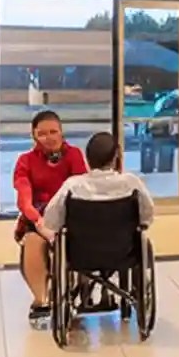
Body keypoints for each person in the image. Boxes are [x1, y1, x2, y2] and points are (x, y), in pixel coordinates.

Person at [14, 110, 89, 323]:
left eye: (54, 131)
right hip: (38, 216)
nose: (49, 137)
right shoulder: (25, 161)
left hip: (70, 213)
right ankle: (41, 299)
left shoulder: (74, 155)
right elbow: (24, 199)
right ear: (34, 136)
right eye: (43, 133)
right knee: (33, 243)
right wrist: (39, 222)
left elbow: (81, 187)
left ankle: (77, 287)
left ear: (62, 132)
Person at [42, 131, 156, 234]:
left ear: (87, 158)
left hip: (80, 255)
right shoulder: (131, 184)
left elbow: (50, 221)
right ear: (115, 157)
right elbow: (147, 217)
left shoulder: (72, 187)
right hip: (125, 254)